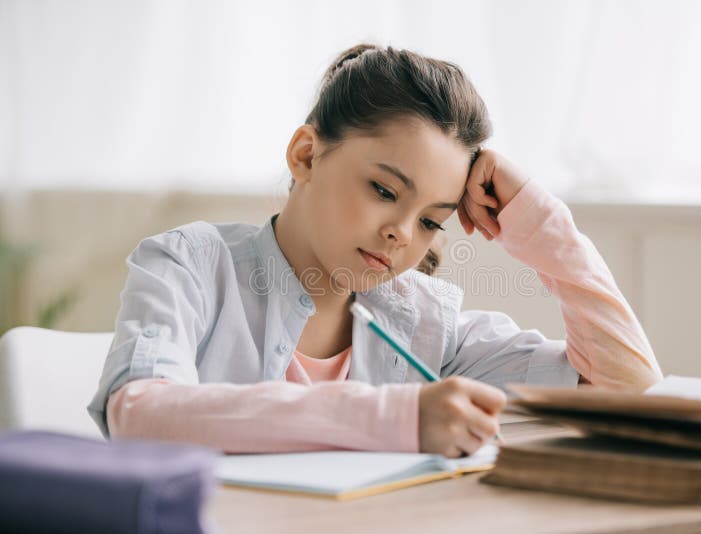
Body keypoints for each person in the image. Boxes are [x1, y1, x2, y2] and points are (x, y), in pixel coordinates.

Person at [88, 43, 662, 458]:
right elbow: (138, 413)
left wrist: (539, 219)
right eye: (385, 191)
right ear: (306, 155)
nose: (402, 234)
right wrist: (395, 418)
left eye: (432, 221)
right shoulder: (190, 265)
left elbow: (624, 387)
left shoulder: (429, 327)